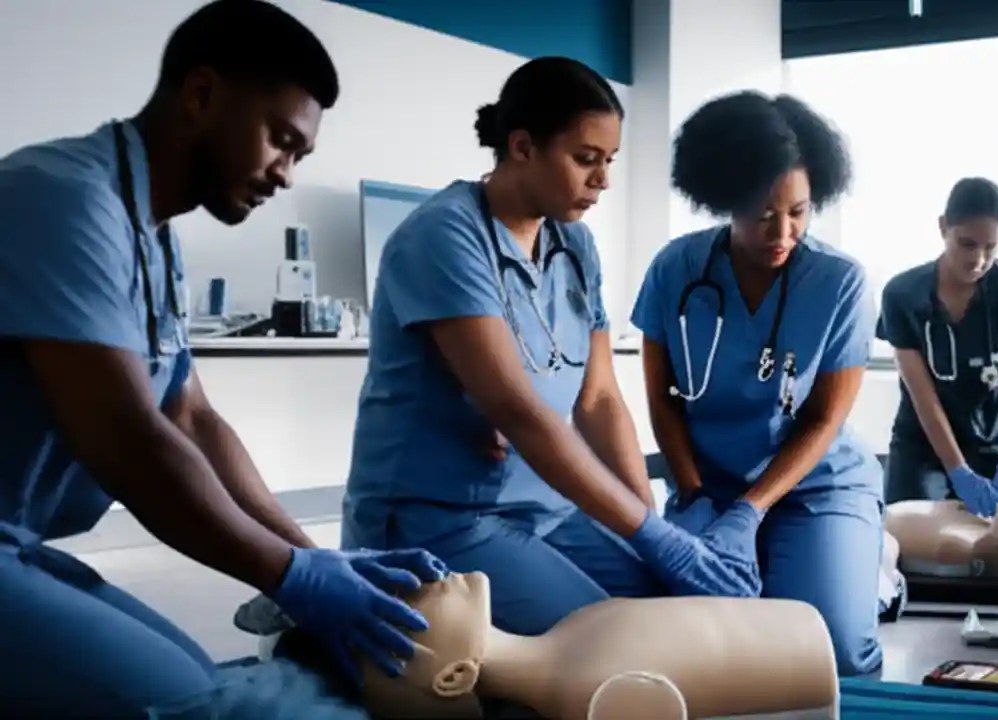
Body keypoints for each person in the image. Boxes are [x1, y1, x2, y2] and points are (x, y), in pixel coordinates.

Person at [0, 2, 448, 716]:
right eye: (281, 140)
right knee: (194, 702)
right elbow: (129, 439)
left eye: (300, 155)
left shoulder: (154, 237)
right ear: (202, 95)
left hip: (17, 546)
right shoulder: (64, 199)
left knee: (187, 668)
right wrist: (291, 576)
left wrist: (307, 557)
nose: (287, 174)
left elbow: (192, 417)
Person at [340, 57, 759, 641]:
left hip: (546, 508)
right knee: (608, 642)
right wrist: (647, 533)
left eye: (608, 161)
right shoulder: (444, 235)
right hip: (443, 517)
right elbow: (518, 410)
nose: (603, 180)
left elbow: (600, 400)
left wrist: (655, 533)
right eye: (586, 159)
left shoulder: (575, 244)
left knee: (674, 609)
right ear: (522, 147)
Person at [630, 91, 887, 675]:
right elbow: (664, 399)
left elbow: (824, 419)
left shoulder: (839, 282)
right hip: (709, 489)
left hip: (814, 487)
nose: (783, 231)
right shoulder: (677, 268)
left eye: (799, 211)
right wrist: (694, 497)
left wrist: (750, 511)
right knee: (692, 649)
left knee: (832, 653)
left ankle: (873, 570)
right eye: (762, 213)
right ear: (723, 200)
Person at [877, 178, 998, 517]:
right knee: (909, 541)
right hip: (923, 443)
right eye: (967, 244)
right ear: (943, 228)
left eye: (990, 248)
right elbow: (924, 398)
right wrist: (958, 471)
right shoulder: (902, 295)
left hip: (994, 444)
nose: (978, 260)